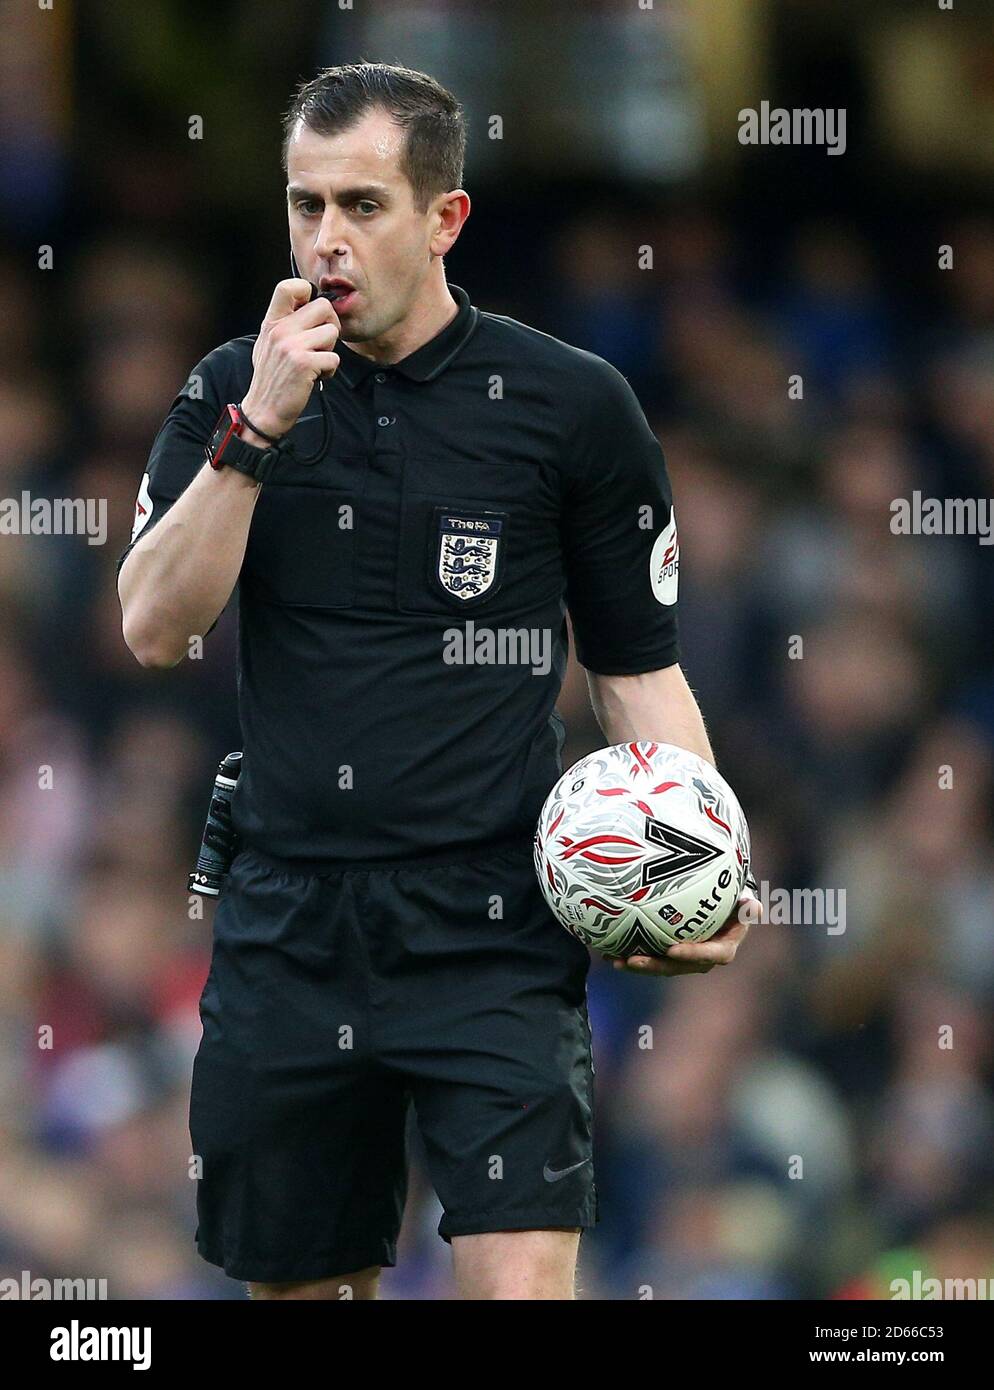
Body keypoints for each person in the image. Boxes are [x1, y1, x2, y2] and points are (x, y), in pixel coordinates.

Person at [117, 62, 753, 1301]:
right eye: (306, 206)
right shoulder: (230, 391)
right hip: (288, 919)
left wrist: (701, 862)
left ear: (444, 218)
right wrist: (257, 432)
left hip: (489, 923)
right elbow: (151, 626)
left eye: (362, 205)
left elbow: (636, 675)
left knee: (520, 1285)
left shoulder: (569, 406)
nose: (327, 239)